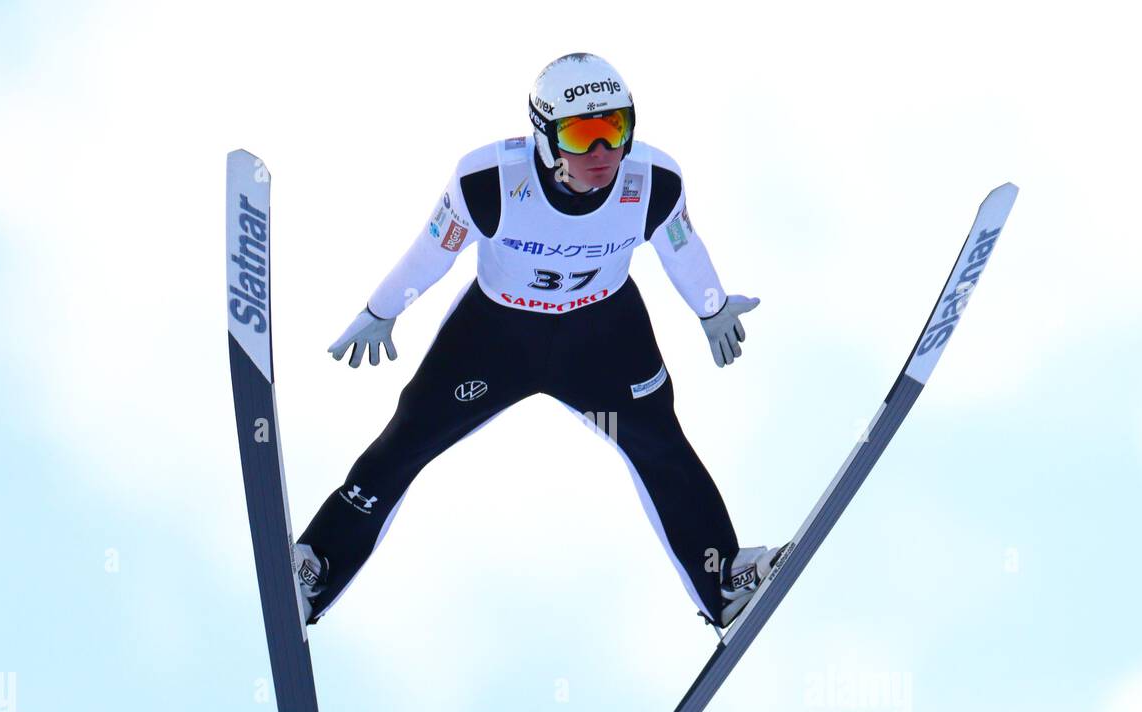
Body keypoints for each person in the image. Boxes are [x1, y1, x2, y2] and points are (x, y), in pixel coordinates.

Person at [294, 52, 789, 633]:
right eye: (583, 134)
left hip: (602, 337)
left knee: (660, 446)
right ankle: (317, 566)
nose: (603, 153)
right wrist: (382, 310)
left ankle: (725, 580)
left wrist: (711, 307)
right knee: (407, 439)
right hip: (496, 338)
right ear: (545, 135)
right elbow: (434, 251)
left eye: (617, 129)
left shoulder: (653, 182)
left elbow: (681, 246)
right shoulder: (489, 183)